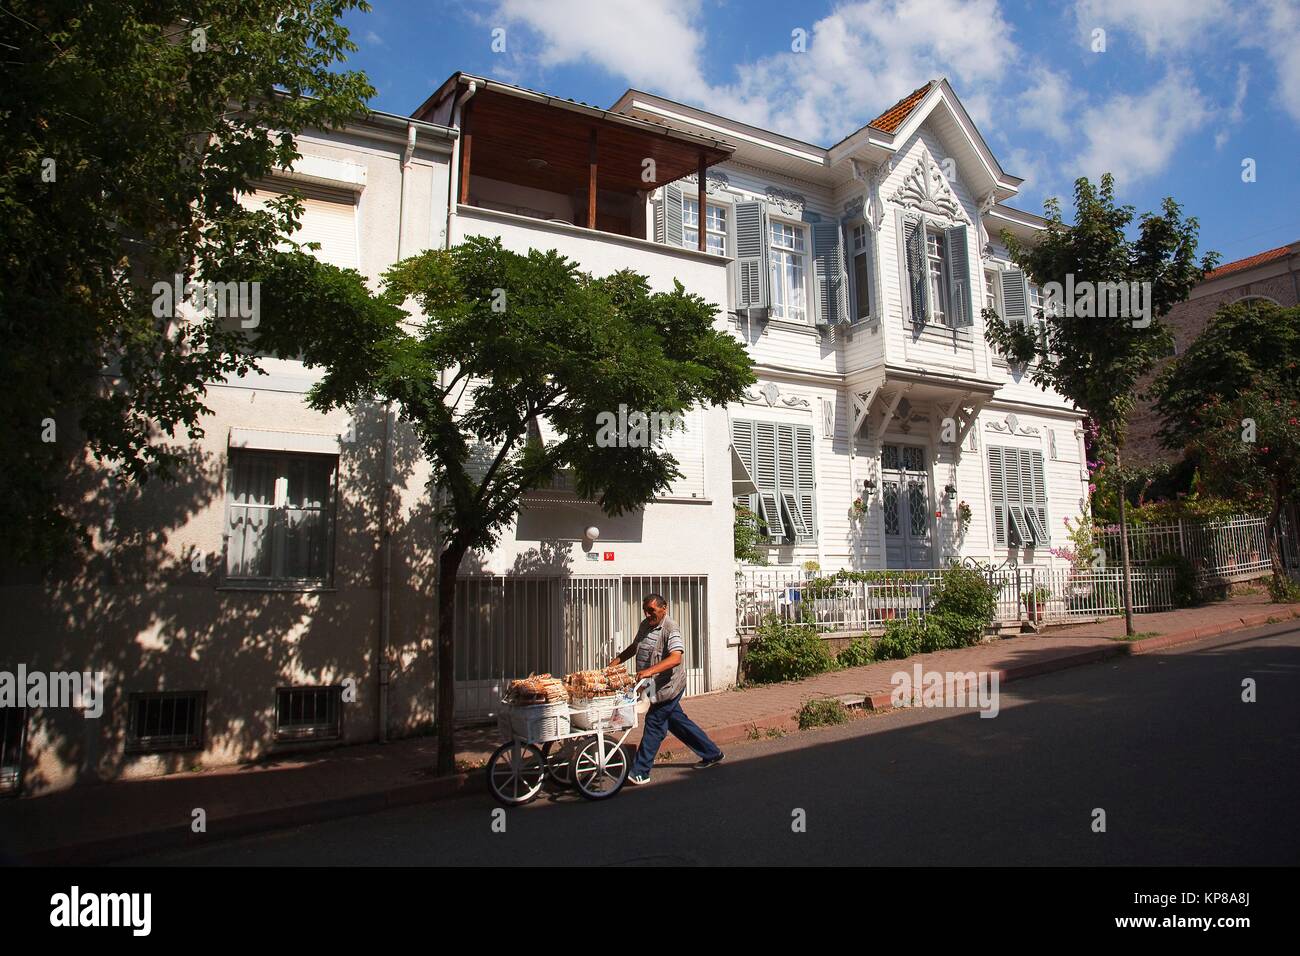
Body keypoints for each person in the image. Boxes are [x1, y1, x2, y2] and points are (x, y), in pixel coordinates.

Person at [610, 593, 723, 784]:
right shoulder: (645, 625)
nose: (647, 614)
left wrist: (649, 671)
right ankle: (712, 753)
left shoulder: (671, 628)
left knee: (654, 722)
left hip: (669, 686)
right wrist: (615, 662)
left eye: (652, 610)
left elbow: (676, 657)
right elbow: (635, 646)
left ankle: (641, 771)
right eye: (645, 610)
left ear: (664, 608)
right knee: (676, 720)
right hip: (654, 685)